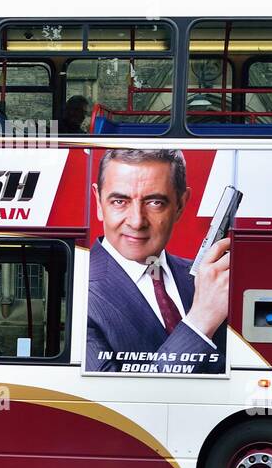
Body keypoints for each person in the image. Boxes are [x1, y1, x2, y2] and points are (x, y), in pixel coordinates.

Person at [85, 148, 231, 374]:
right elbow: (110, 403)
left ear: (180, 205)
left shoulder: (206, 278)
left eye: (154, 203)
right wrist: (200, 322)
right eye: (119, 201)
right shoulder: (76, 290)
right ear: (98, 201)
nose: (136, 221)